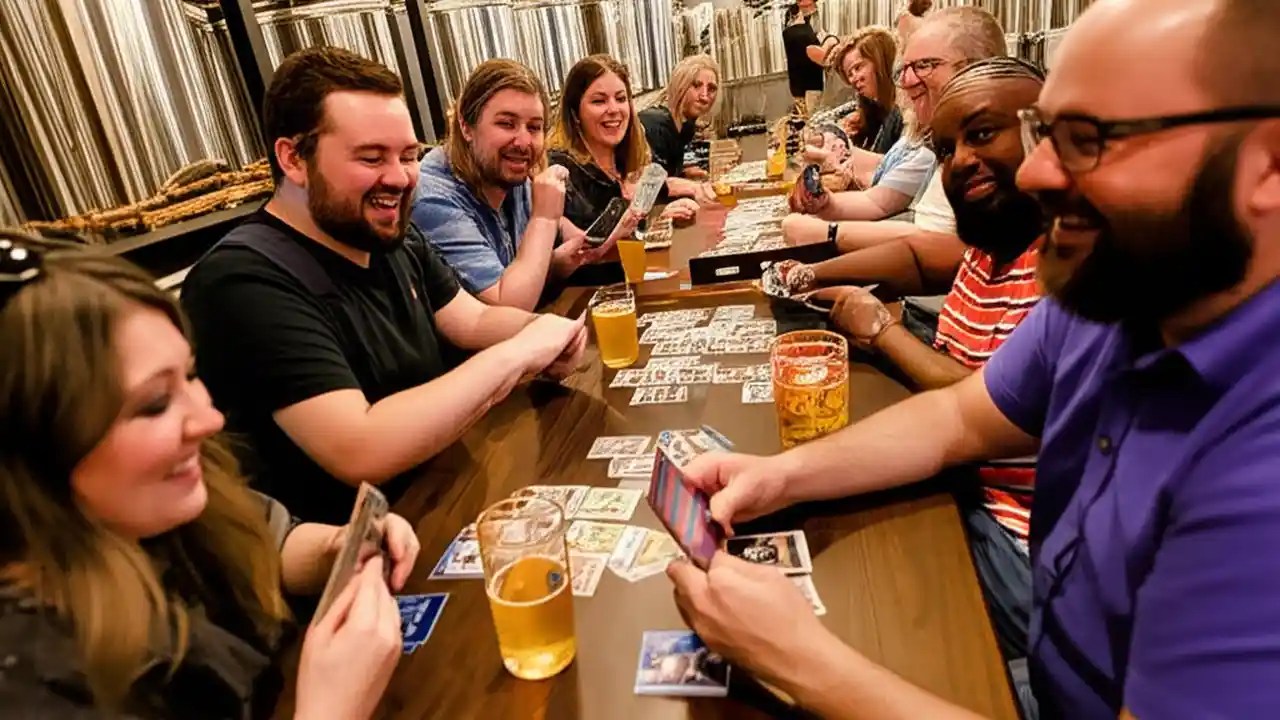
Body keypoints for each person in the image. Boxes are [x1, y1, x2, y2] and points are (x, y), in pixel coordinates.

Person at [668, 1, 1280, 717]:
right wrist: (774, 477)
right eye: (1044, 132)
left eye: (1092, 137)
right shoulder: (1115, 296)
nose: (1035, 174)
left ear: (1267, 165)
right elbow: (958, 418)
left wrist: (799, 660)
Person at [0, 242, 421, 717]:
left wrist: (340, 549)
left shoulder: (153, 502)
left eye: (191, 374)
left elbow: (266, 539)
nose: (209, 418)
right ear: (33, 455)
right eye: (156, 403)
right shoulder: (26, 679)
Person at [182, 48, 587, 524]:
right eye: (372, 157)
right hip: (347, 569)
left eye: (409, 155)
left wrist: (548, 332)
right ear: (293, 159)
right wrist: (519, 353)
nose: (398, 177)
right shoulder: (242, 279)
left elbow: (471, 318)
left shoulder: (391, 234)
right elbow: (362, 448)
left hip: (440, 499)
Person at [810, 60, 1046, 687]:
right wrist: (805, 275)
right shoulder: (991, 248)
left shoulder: (1066, 267)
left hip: (1019, 546)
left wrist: (880, 331)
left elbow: (981, 412)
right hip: (973, 492)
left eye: (983, 133)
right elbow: (915, 258)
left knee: (853, 603)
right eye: (947, 147)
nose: (961, 161)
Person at [781, 7, 1008, 289]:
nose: (908, 81)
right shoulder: (949, 140)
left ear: (975, 66)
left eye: (925, 65)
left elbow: (933, 245)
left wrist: (827, 234)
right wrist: (828, 206)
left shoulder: (991, 148)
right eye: (905, 69)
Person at [412, 59, 610, 308]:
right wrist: (544, 219)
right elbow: (508, 304)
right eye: (507, 124)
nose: (523, 141)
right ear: (465, 126)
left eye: (534, 127)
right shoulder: (432, 197)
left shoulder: (508, 173)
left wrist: (566, 257)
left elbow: (541, 262)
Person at [547, 54, 650, 233]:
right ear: (575, 113)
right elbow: (586, 249)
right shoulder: (561, 170)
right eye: (599, 101)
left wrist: (663, 217)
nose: (613, 109)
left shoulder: (626, 161)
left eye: (620, 99)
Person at [638, 54, 721, 221]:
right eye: (696, 86)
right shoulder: (655, 123)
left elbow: (671, 168)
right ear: (680, 85)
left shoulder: (686, 124)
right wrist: (693, 187)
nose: (705, 96)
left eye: (711, 89)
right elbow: (647, 187)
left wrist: (694, 174)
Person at [825, 27, 903, 154]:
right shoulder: (872, 107)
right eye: (850, 74)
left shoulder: (902, 114)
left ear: (880, 62)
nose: (853, 79)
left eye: (858, 67)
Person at [782, 1, 829, 117]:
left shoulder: (787, 33)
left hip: (803, 83)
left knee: (806, 119)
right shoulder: (802, 29)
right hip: (805, 82)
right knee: (809, 120)